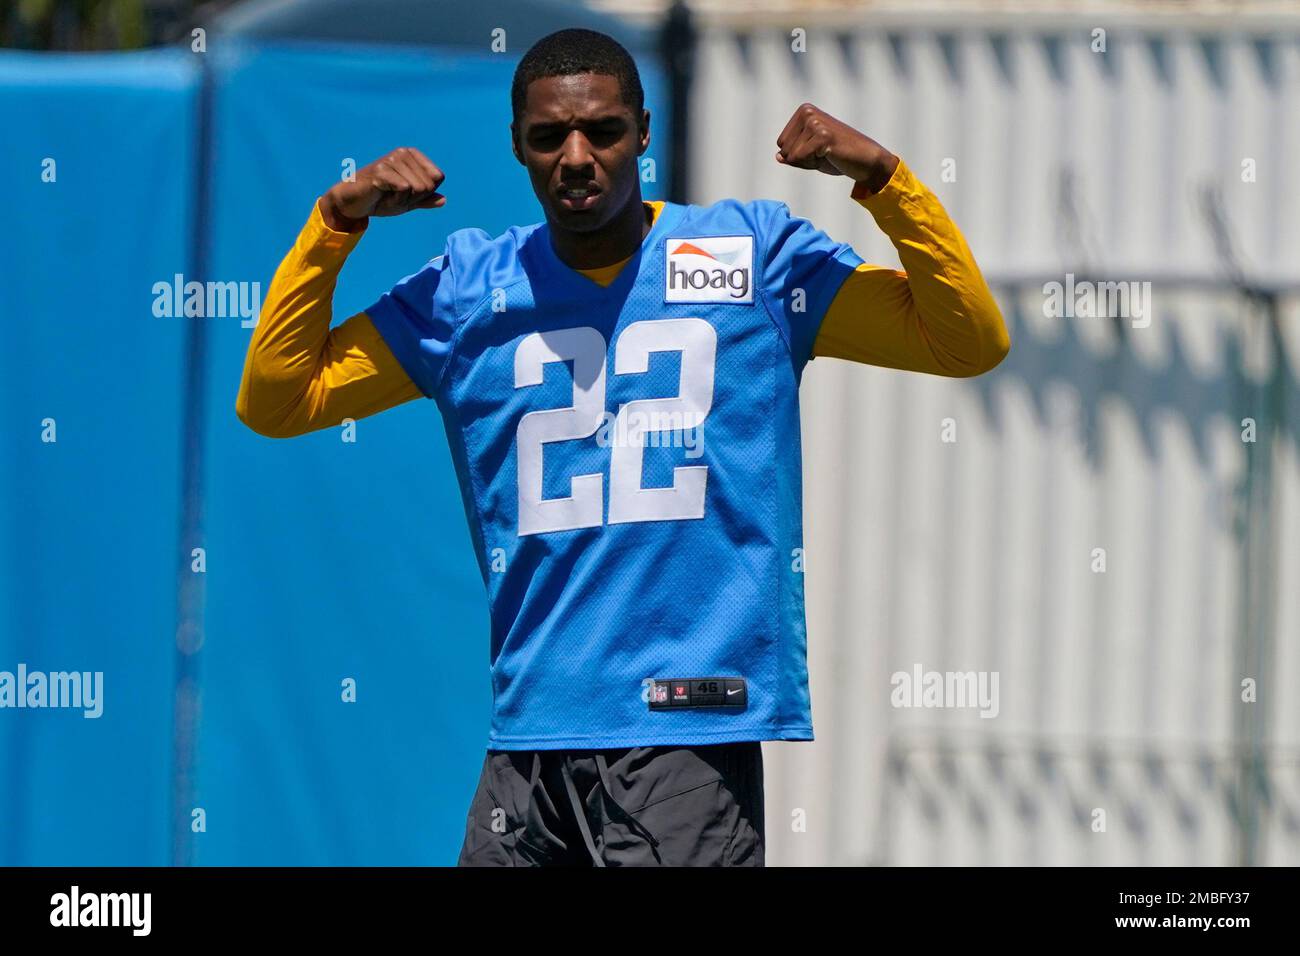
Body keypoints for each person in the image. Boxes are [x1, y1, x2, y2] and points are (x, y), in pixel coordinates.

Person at [236, 27, 1009, 866]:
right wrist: (335, 221)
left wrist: (883, 180)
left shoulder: (749, 259)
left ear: (644, 131)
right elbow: (279, 399)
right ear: (518, 149)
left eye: (602, 131)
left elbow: (966, 339)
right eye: (549, 138)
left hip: (684, 731)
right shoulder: (467, 290)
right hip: (527, 737)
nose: (576, 156)